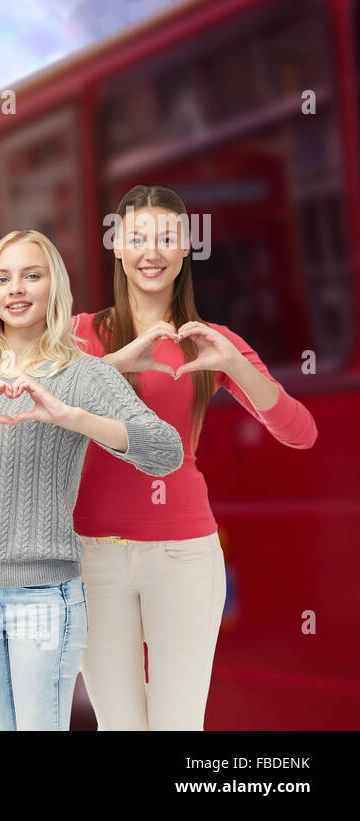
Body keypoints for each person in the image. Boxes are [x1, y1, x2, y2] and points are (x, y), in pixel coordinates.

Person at [0, 229, 183, 731]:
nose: (16, 289)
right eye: (2, 278)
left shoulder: (85, 375)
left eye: (31, 276)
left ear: (53, 289)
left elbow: (164, 452)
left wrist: (71, 417)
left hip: (44, 597)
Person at [72, 184, 317, 730]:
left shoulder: (211, 342)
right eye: (137, 237)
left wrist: (236, 364)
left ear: (186, 249)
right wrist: (112, 364)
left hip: (184, 556)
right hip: (93, 560)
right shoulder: (82, 335)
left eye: (167, 238)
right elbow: (33, 399)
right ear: (117, 247)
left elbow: (300, 431)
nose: (151, 251)